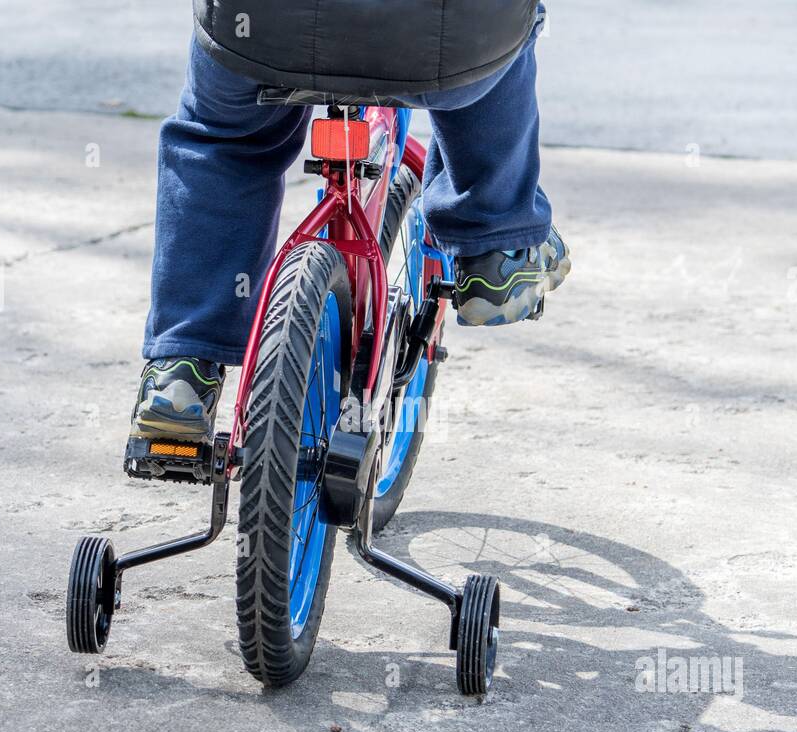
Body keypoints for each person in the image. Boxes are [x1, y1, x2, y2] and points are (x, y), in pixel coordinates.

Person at [129, 1, 570, 445]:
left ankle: (183, 366)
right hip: (445, 38)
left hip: (261, 33)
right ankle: (497, 245)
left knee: (222, 138)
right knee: (497, 29)